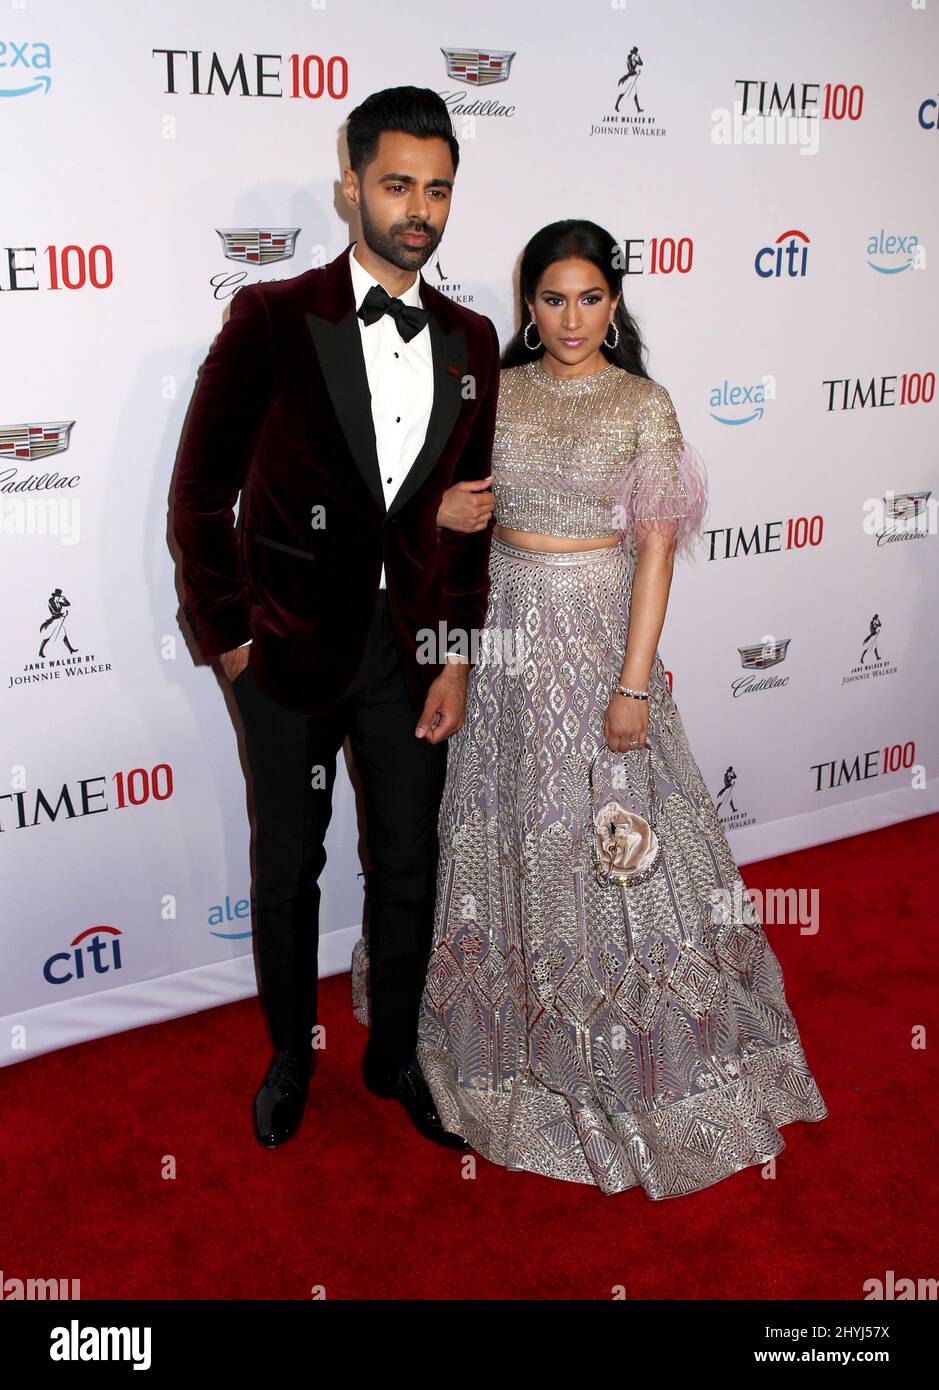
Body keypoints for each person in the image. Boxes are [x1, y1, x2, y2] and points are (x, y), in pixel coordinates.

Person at [416, 220, 829, 1198]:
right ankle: (517, 1038)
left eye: (590, 298)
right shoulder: (497, 394)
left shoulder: (645, 405)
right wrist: (460, 646)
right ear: (527, 303)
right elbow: (461, 535)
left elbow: (652, 553)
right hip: (507, 632)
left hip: (601, 636)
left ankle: (635, 1055)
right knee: (515, 830)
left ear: (615, 302)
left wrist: (633, 683)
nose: (570, 318)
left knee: (614, 843)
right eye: (552, 299)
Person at [171, 86, 500, 1149]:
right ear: (348, 185)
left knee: (410, 860)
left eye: (437, 188)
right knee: (287, 865)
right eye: (398, 183)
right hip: (286, 647)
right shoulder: (272, 317)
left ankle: (394, 1054)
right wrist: (229, 639)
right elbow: (198, 494)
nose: (419, 208)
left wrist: (454, 654)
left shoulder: (472, 338)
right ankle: (285, 1054)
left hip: (408, 654)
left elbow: (469, 519)